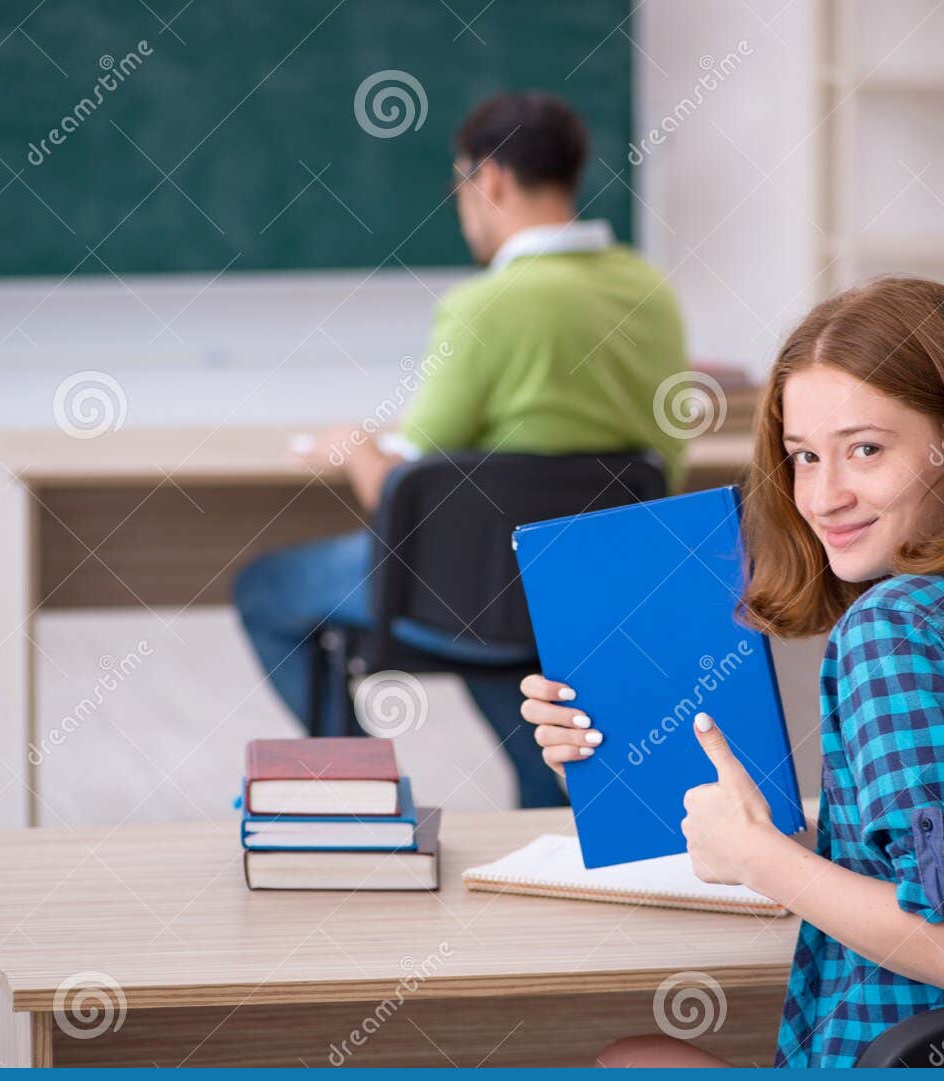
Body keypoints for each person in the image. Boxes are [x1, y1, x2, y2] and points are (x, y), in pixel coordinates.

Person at [519, 276, 944, 1065]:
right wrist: (613, 770)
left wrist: (760, 859)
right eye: (804, 458)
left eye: (866, 449)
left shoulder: (896, 626)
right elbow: (943, 867)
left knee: (625, 1065)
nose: (824, 496)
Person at [234, 91, 688, 808]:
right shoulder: (649, 290)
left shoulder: (485, 306)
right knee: (502, 617)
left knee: (266, 590)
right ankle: (547, 803)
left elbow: (400, 489)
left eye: (460, 188)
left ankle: (363, 800)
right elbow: (669, 457)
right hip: (600, 586)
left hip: (483, 588)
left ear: (491, 179)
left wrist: (355, 447)